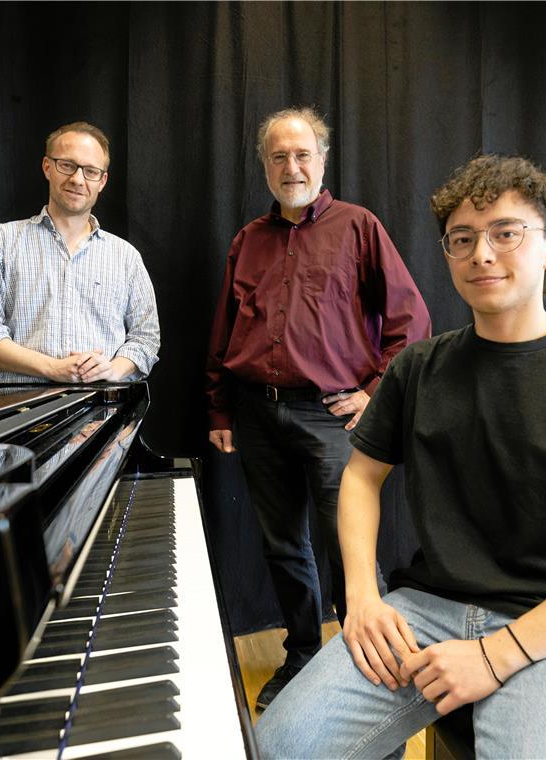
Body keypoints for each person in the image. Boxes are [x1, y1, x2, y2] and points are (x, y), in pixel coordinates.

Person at [255, 154, 546, 758]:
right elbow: (360, 477)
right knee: (275, 748)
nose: (481, 254)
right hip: (425, 609)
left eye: (505, 233)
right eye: (463, 239)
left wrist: (496, 655)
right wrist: (362, 597)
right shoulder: (417, 367)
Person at [205, 106, 431, 711]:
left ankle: (366, 674)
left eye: (302, 154)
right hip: (256, 415)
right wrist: (219, 411)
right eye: (279, 156)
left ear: (323, 160)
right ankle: (302, 655)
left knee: (348, 546)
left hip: (332, 419)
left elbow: (411, 323)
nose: (292, 167)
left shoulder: (359, 227)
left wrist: (373, 392)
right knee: (282, 546)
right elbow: (224, 330)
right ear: (265, 165)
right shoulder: (247, 241)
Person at [0, 121, 160, 385]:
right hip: (19, 405)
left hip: (105, 405)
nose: (77, 179)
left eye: (90, 171)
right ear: (47, 167)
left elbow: (146, 339)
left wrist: (112, 370)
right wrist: (51, 368)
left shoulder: (126, 257)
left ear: (102, 181)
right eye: (67, 165)